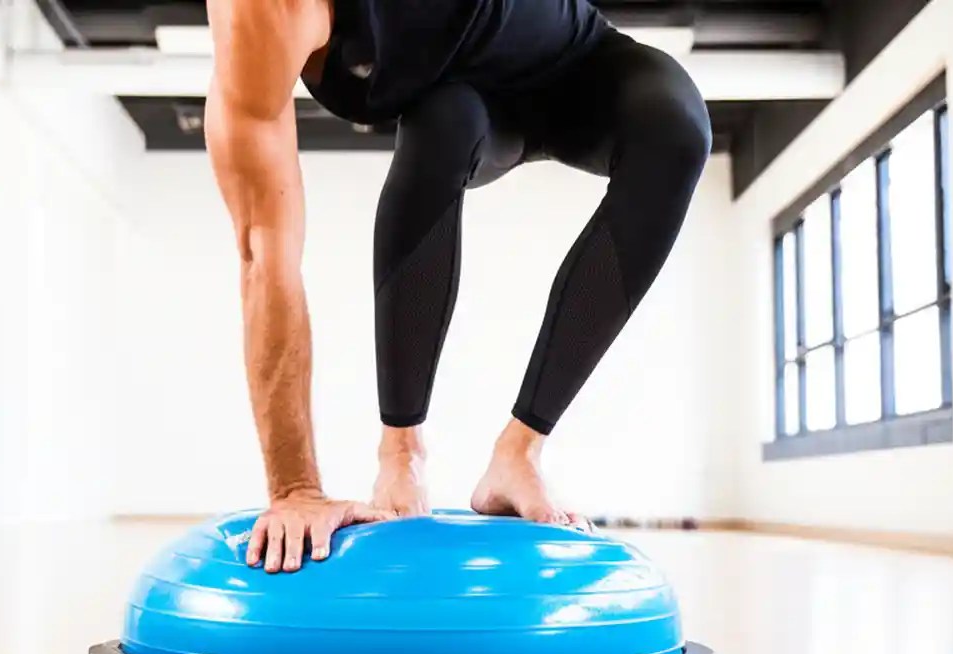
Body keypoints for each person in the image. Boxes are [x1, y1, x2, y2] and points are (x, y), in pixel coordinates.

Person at [204, 0, 711, 573]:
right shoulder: (264, 13)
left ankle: (519, 453)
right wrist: (296, 488)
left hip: (582, 66)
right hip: (466, 112)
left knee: (677, 129)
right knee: (443, 124)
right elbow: (263, 248)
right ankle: (402, 451)